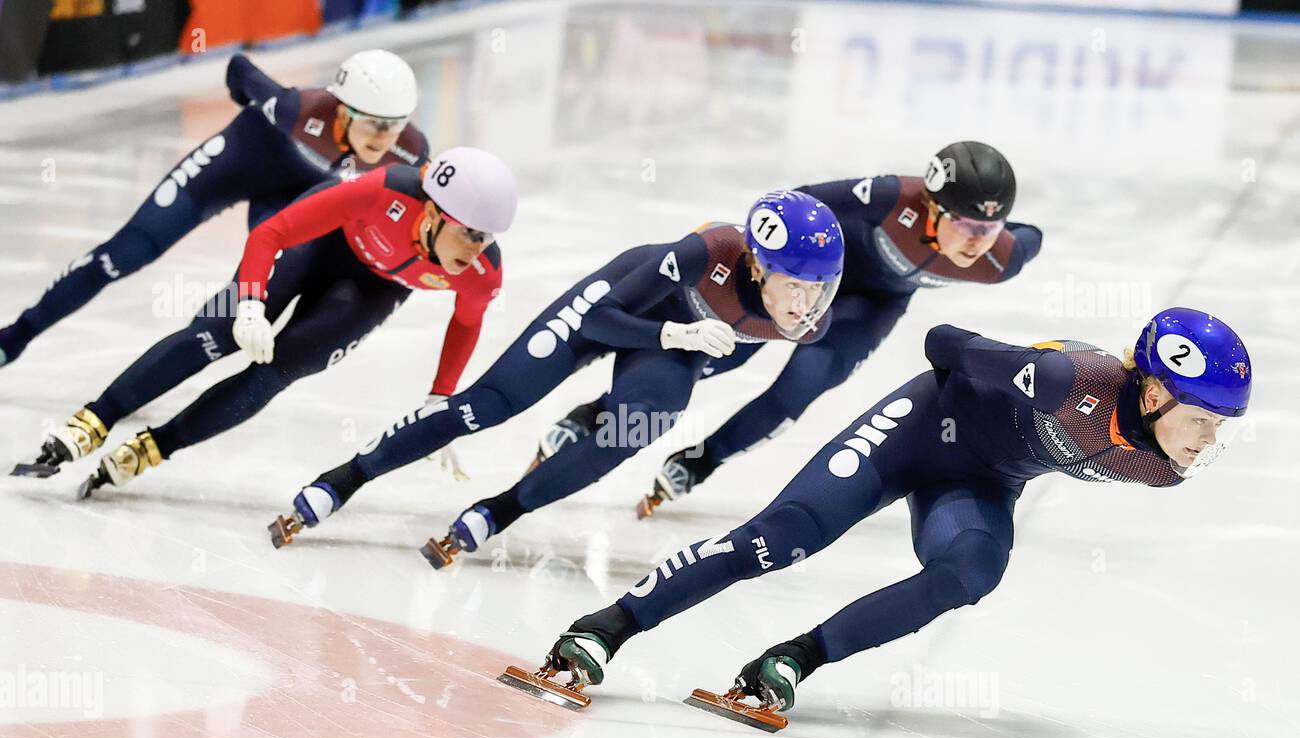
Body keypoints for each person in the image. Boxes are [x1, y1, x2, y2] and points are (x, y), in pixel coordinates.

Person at [511, 308, 1252, 730]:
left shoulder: (1162, 466)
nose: (1207, 441)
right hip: (916, 431)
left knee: (969, 573)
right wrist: (993, 390)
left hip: (980, 481)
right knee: (781, 539)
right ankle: (605, 628)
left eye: (1220, 427)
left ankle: (791, 660)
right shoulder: (1067, 380)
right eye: (1204, 419)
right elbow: (943, 342)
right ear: (1154, 392)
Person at [269, 190, 844, 558]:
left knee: (636, 430)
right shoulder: (710, 250)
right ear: (756, 264)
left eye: (819, 289)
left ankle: (501, 509)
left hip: (677, 347)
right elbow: (603, 317)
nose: (806, 303)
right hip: (622, 307)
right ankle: (346, 478)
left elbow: (736, 355)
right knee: (490, 405)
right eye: (796, 285)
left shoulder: (803, 321)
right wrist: (675, 334)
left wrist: (661, 376)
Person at [526, 142, 1043, 517]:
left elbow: (1031, 236)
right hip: (804, 281)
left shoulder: (1000, 260)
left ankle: (702, 461)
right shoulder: (889, 198)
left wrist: (1003, 234)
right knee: (720, 356)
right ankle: (598, 412)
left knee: (802, 387)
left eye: (989, 229)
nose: (976, 242)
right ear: (931, 207)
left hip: (872, 305)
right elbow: (794, 201)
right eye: (966, 224)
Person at [12, 147, 516, 499]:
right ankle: (96, 418)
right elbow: (272, 232)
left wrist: (440, 396)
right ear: (431, 212)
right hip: (317, 243)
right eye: (470, 234)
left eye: (487, 238)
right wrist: (251, 302)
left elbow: (466, 324)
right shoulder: (382, 191)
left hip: (369, 290)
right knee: (219, 330)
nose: (477, 250)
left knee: (278, 371)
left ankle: (155, 448)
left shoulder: (481, 274)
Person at [0, 49, 427, 367]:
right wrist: (245, 105)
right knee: (124, 253)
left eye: (395, 125)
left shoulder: (410, 152)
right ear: (341, 109)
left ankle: (160, 368)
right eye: (373, 122)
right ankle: (12, 339)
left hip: (289, 197)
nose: (383, 136)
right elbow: (239, 68)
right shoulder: (298, 110)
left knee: (251, 291)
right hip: (236, 163)